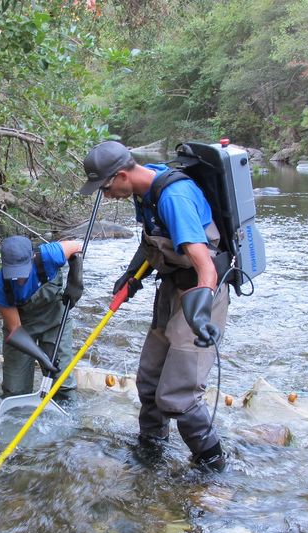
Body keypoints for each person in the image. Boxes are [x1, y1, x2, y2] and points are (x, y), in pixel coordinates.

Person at [77, 141, 228, 472]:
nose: (105, 195)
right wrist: (132, 274)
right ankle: (151, 450)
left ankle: (213, 465)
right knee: (149, 381)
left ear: (121, 175)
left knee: (178, 396)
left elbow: (207, 268)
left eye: (105, 187)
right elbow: (154, 238)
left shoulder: (174, 198)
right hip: (171, 287)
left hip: (199, 297)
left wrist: (200, 317)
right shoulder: (146, 190)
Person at [0, 235, 84, 400]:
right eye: (13, 272)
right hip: (22, 328)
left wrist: (75, 282)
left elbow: (76, 247)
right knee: (14, 390)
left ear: (33, 257)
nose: (19, 279)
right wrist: (42, 357)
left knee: (61, 381)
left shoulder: (49, 255)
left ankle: (68, 418)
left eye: (22, 271)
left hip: (55, 319)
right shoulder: (0, 286)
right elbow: (15, 329)